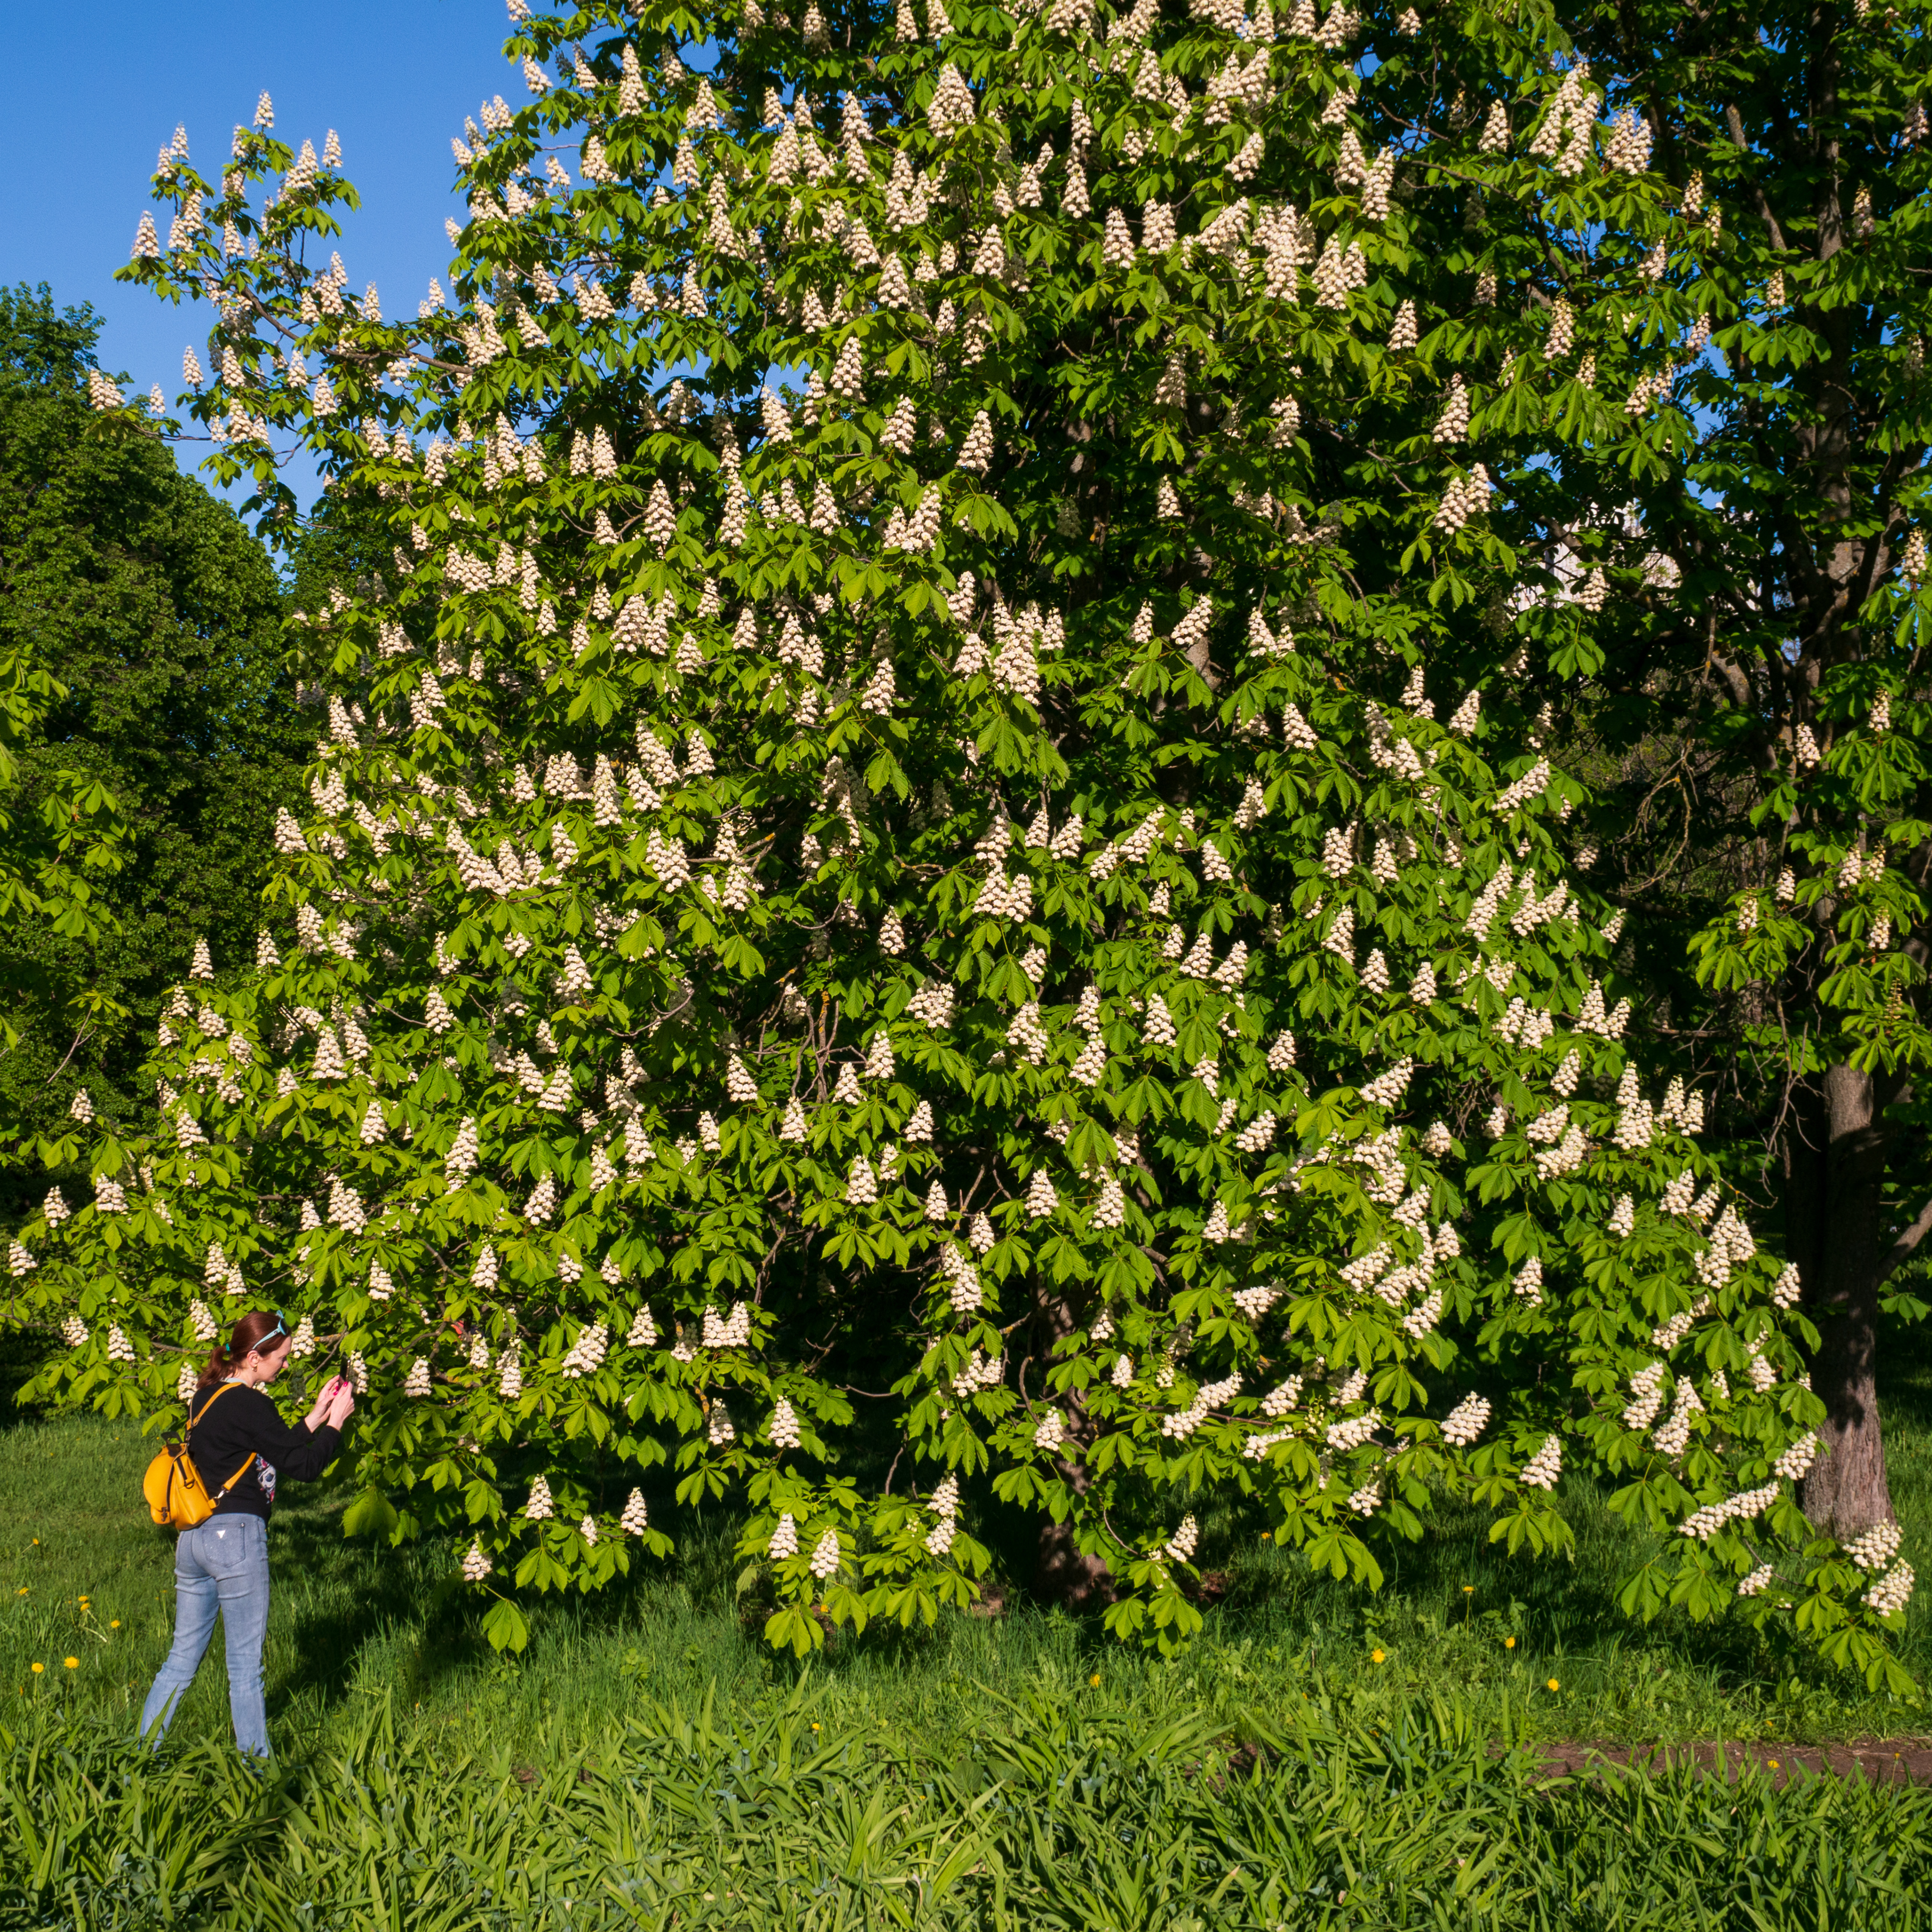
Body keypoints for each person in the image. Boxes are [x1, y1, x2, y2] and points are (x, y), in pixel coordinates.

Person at [138, 1308, 354, 1756]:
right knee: (245, 1669)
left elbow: (264, 1450)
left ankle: (136, 1757)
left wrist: (314, 1417)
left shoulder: (206, 1399)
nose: (286, 1366)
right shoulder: (254, 1404)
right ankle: (258, 1778)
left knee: (180, 1660)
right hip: (236, 1539)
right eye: (281, 1358)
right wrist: (336, 1425)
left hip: (193, 1540)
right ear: (255, 1357)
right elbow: (305, 1467)